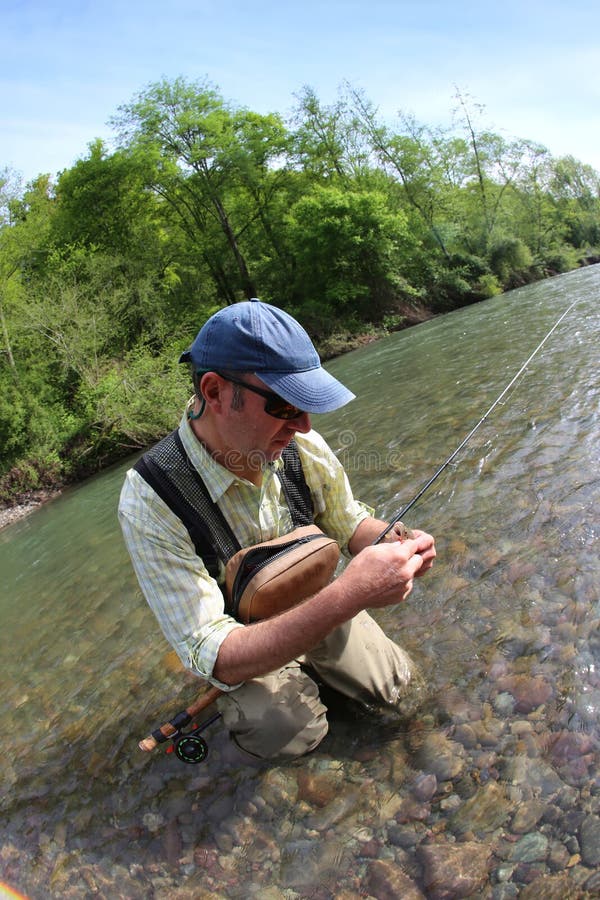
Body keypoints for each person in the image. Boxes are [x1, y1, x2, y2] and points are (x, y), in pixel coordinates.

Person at [119, 299, 436, 761]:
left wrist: (395, 542)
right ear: (214, 391)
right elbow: (217, 653)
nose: (305, 424)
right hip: (245, 647)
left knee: (396, 689)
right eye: (285, 404)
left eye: (306, 405)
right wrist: (351, 594)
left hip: (317, 604)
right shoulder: (150, 501)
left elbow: (349, 524)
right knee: (288, 735)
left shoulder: (296, 440)